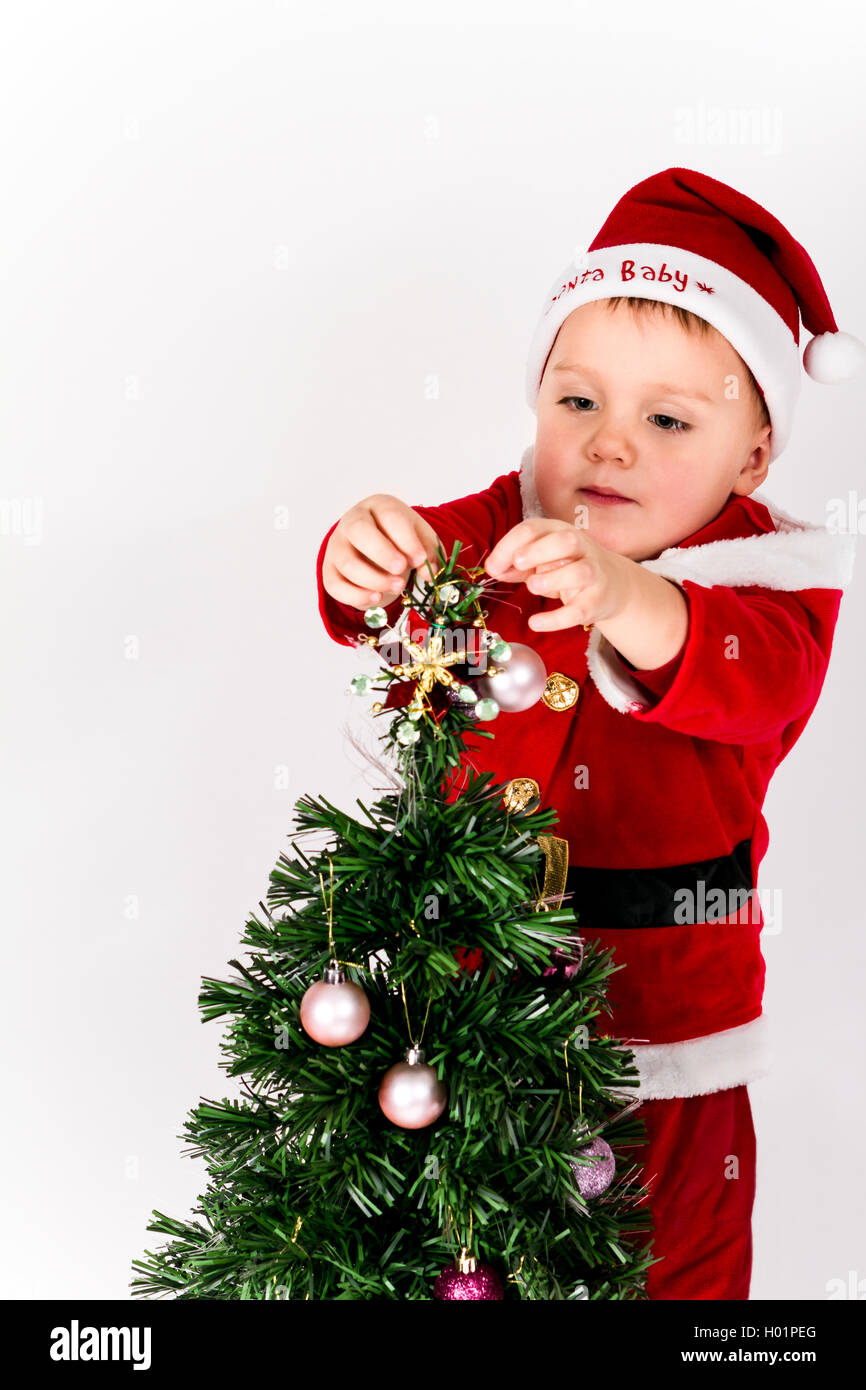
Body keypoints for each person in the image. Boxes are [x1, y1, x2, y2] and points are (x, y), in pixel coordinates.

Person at [314, 167, 863, 1299]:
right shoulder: (511, 521)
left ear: (751, 459)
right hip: (459, 1011)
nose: (605, 445)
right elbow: (397, 578)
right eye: (576, 403)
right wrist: (357, 551)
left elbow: (737, 673)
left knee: (675, 1272)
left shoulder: (773, 589)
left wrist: (622, 593)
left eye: (665, 419)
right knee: (441, 1256)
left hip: (664, 1047)